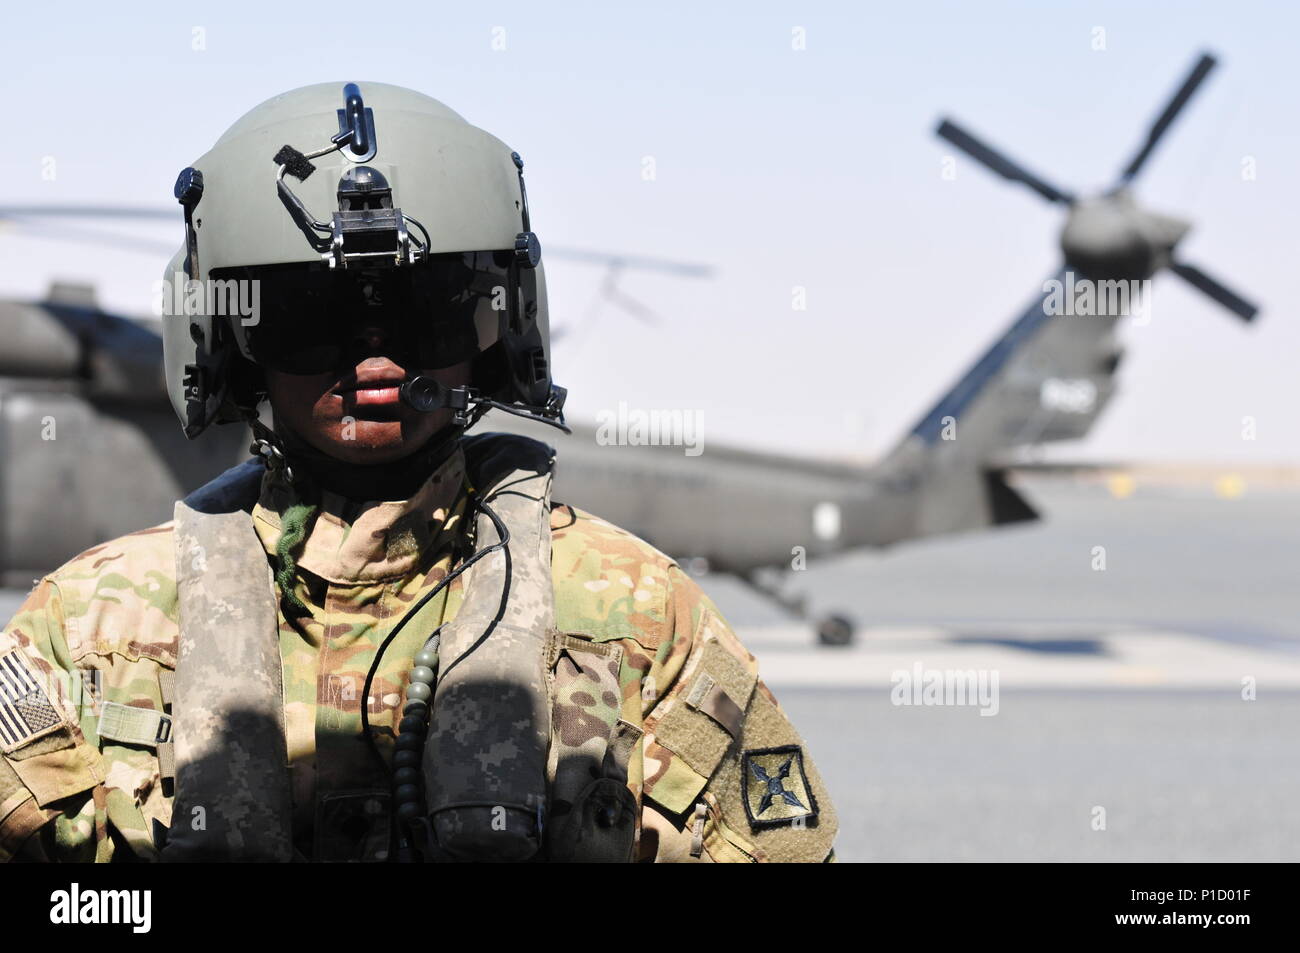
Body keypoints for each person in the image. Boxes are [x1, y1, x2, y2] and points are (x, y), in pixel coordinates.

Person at [0, 82, 836, 863]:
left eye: (426, 311)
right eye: (309, 317)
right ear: (229, 344)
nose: (376, 359)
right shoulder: (84, 628)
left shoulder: (642, 617)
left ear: (499, 327)